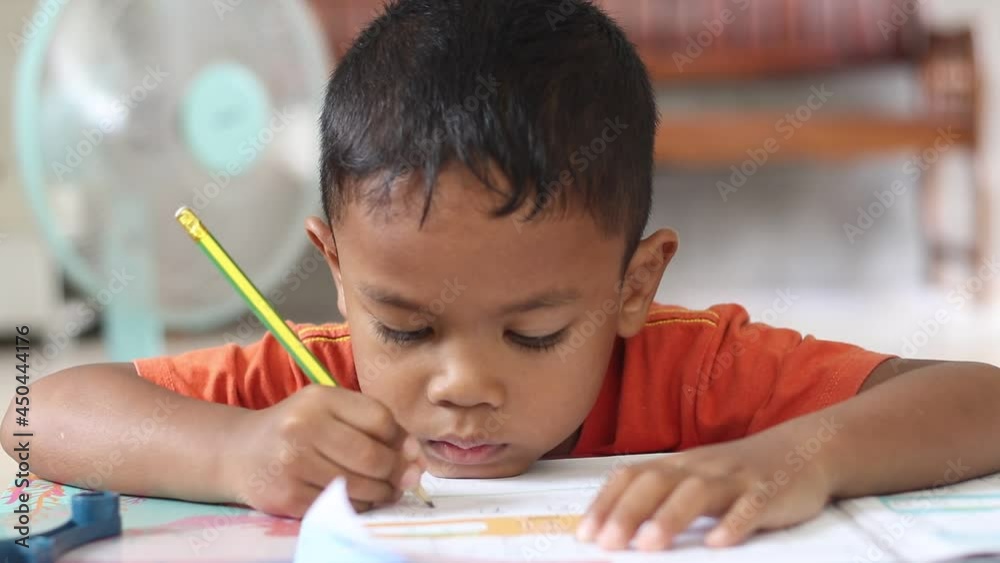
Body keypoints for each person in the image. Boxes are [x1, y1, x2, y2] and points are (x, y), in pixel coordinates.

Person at [6, 0, 1000, 552]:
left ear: (632, 285)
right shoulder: (319, 385)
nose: (463, 384)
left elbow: (977, 400)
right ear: (338, 273)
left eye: (532, 333)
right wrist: (233, 451)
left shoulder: (692, 369)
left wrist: (793, 457)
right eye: (402, 326)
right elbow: (31, 407)